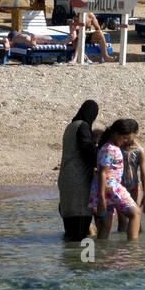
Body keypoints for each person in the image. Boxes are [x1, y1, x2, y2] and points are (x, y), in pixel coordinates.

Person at [90, 118, 142, 240]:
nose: (125, 141)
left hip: (103, 189)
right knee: (136, 213)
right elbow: (103, 172)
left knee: (105, 227)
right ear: (116, 134)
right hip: (111, 188)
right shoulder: (109, 149)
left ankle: (101, 255)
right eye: (124, 138)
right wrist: (102, 197)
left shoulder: (108, 147)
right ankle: (133, 249)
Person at [57, 100, 99, 241]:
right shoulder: (83, 126)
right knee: (81, 235)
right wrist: (104, 158)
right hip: (78, 180)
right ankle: (81, 260)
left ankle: (69, 259)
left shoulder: (70, 127)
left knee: (70, 230)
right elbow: (87, 148)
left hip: (65, 177)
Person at [120, 129, 145, 233]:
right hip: (120, 187)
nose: (126, 138)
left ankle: (136, 246)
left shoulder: (139, 151)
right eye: (124, 135)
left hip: (135, 187)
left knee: (136, 218)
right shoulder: (119, 147)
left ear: (135, 134)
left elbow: (143, 174)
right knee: (122, 221)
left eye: (128, 135)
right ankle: (121, 248)